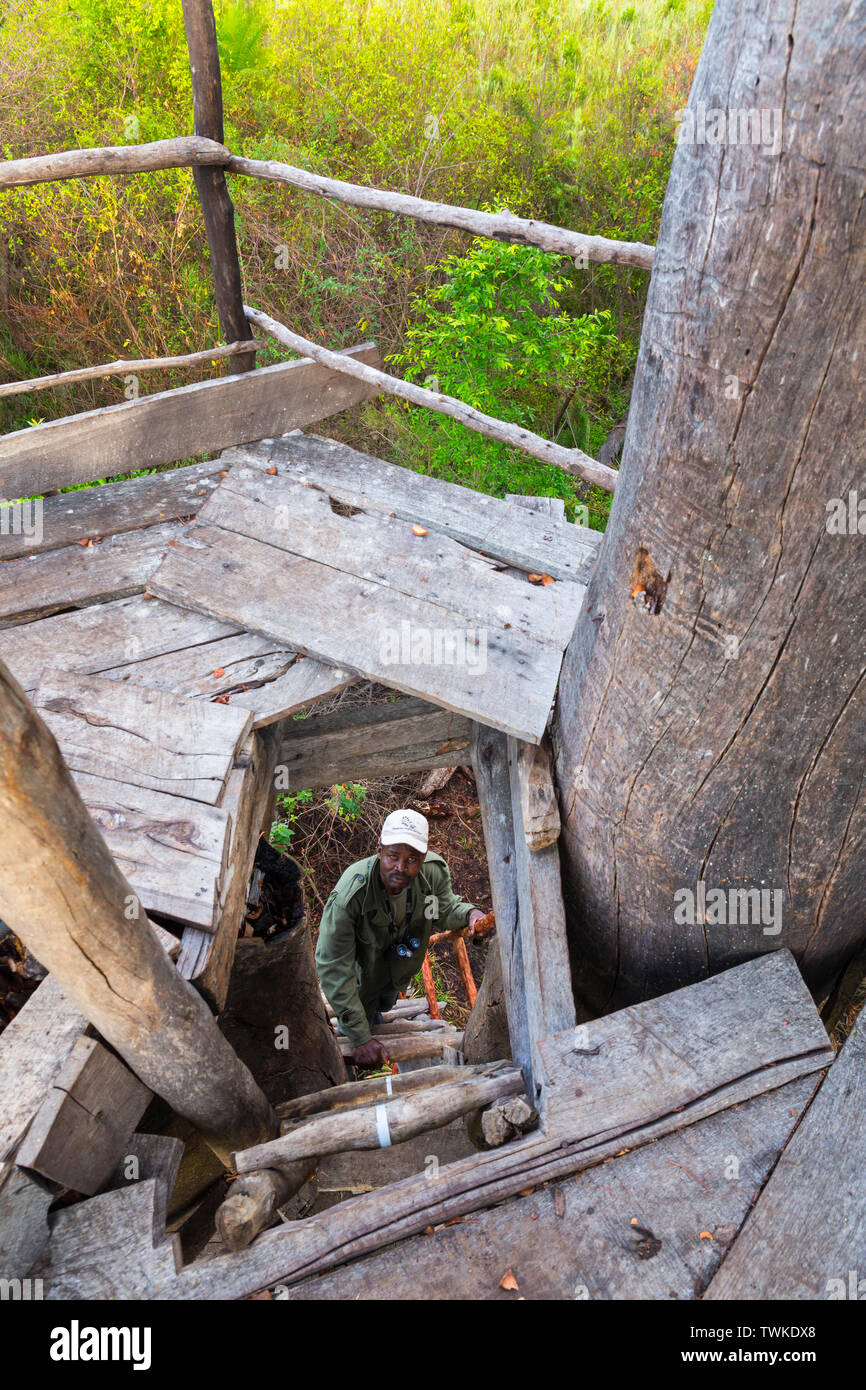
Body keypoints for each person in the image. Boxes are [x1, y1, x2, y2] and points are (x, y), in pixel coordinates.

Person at [315, 808, 486, 1068]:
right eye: (393, 857)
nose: (401, 868)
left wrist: (471, 914)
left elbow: (444, 908)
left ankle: (375, 1016)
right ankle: (359, 1029)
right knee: (365, 1011)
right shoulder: (352, 896)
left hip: (396, 974)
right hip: (363, 976)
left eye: (412, 860)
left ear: (423, 858)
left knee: (385, 1002)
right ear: (379, 851)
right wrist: (361, 1039)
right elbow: (333, 966)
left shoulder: (430, 875)